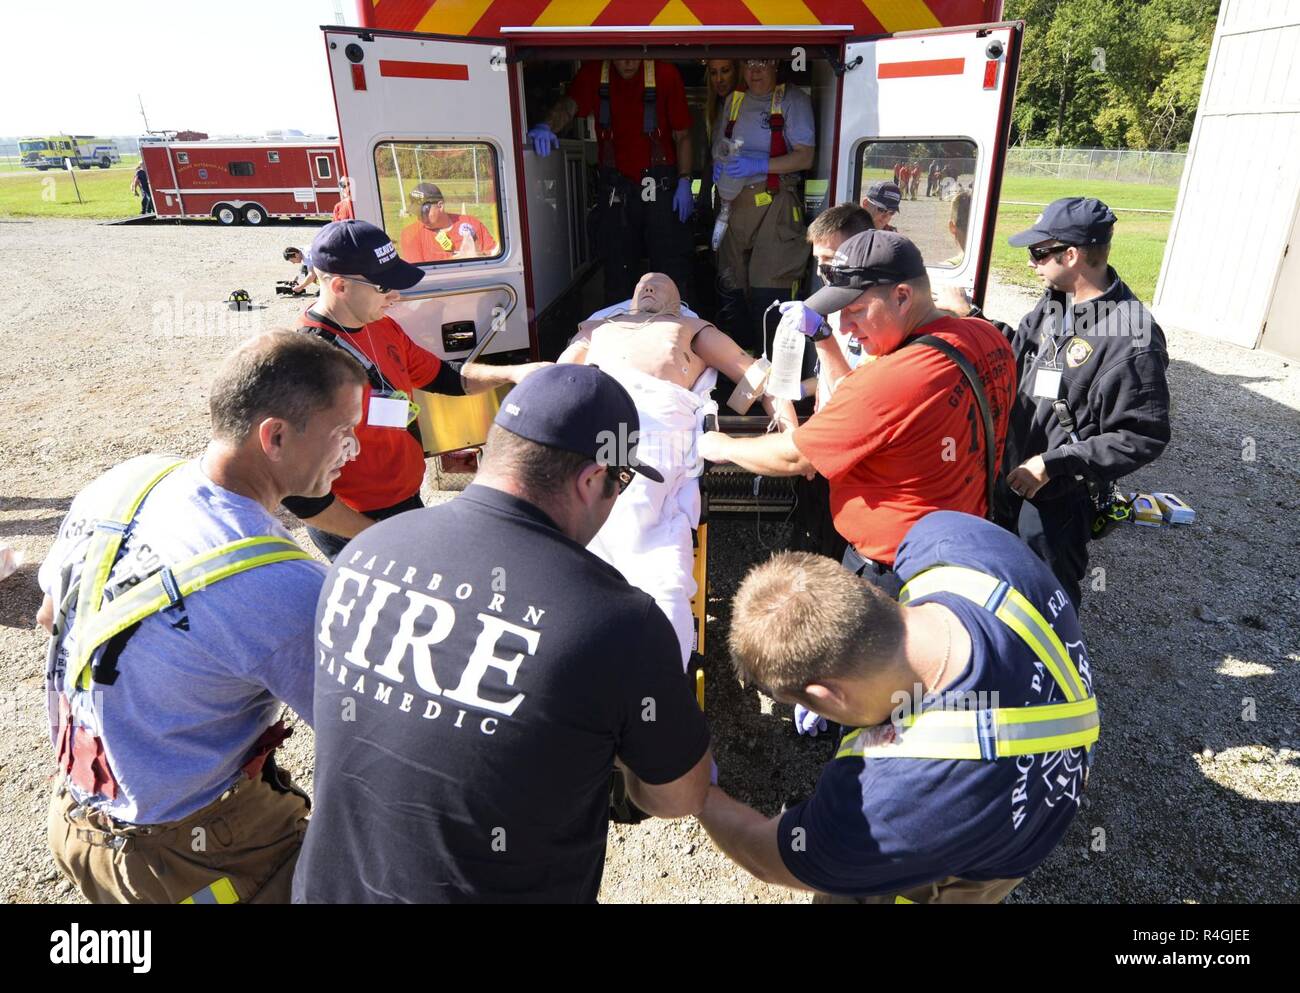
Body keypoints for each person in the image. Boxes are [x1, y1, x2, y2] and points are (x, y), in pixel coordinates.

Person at [294, 364, 713, 903]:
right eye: (622, 482)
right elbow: (679, 796)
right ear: (592, 480)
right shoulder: (620, 622)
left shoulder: (365, 552)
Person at [38, 331, 368, 904]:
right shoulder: (282, 587)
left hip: (74, 819)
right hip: (193, 857)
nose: (354, 451)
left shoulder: (125, 481)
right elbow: (370, 745)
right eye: (344, 432)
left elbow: (50, 615)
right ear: (276, 436)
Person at [698, 510, 1099, 903]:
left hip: (979, 862)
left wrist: (699, 795)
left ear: (826, 697)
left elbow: (765, 856)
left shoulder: (884, 808)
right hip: (1044, 806)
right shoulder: (950, 539)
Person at [699, 229, 1015, 599]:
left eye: (855, 311)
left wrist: (723, 445)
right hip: (966, 544)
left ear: (902, 296)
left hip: (898, 572)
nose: (846, 327)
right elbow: (873, 411)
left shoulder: (894, 379)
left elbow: (796, 456)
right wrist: (824, 339)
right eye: (838, 315)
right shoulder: (987, 336)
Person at [558, 272, 797, 668]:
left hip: (648, 431)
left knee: (628, 510)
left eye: (660, 284)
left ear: (678, 300)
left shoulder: (687, 327)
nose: (647, 286)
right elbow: (556, 378)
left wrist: (791, 433)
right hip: (596, 423)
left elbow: (755, 374)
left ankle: (641, 656)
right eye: (641, 285)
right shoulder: (599, 327)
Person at [946, 197, 1171, 607]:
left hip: (1056, 496)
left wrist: (1053, 464)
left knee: (1046, 596)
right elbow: (1022, 352)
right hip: (1009, 474)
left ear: (1071, 255)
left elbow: (1143, 435)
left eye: (1038, 252)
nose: (1031, 263)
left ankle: (1053, 668)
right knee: (999, 579)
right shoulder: (1057, 299)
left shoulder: (1132, 337)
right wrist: (973, 317)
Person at [284, 220, 546, 560]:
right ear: (339, 286)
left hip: (405, 502)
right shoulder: (306, 362)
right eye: (384, 286)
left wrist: (515, 373)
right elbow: (300, 494)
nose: (396, 295)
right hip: (356, 525)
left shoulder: (382, 325)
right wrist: (373, 533)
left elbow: (446, 378)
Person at [528, 58, 695, 305]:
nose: (627, 63)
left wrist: (685, 181)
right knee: (618, 268)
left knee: (669, 267)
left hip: (659, 186)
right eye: (620, 55)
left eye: (633, 56)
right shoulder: (595, 72)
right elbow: (569, 106)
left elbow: (683, 135)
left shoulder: (664, 74)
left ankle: (676, 330)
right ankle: (620, 331)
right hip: (618, 188)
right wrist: (547, 126)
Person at [787, 204, 875, 563]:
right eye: (817, 260)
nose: (822, 272)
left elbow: (857, 394)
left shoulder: (874, 316)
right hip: (828, 446)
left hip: (852, 460)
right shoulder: (839, 299)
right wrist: (800, 390)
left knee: (836, 554)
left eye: (829, 259)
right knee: (810, 538)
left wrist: (822, 336)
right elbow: (832, 374)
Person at [712, 58, 815, 352]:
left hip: (775, 205)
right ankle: (740, 371)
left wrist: (760, 164)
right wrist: (719, 165)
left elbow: (805, 156)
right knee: (731, 288)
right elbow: (719, 146)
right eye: (748, 64)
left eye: (762, 63)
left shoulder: (793, 100)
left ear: (775, 66)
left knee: (768, 294)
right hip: (734, 207)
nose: (754, 71)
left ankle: (774, 375)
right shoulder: (734, 101)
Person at [398, 183, 498, 264]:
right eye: (416, 211)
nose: (420, 216)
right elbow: (419, 275)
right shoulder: (410, 234)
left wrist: (476, 256)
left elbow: (495, 254)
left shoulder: (471, 223)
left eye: (424, 211)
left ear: (440, 206)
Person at [698, 58, 744, 224]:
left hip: (744, 189)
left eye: (725, 71)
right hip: (722, 192)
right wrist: (703, 196)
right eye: (713, 73)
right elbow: (712, 159)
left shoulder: (746, 103)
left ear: (737, 71)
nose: (719, 79)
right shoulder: (714, 108)